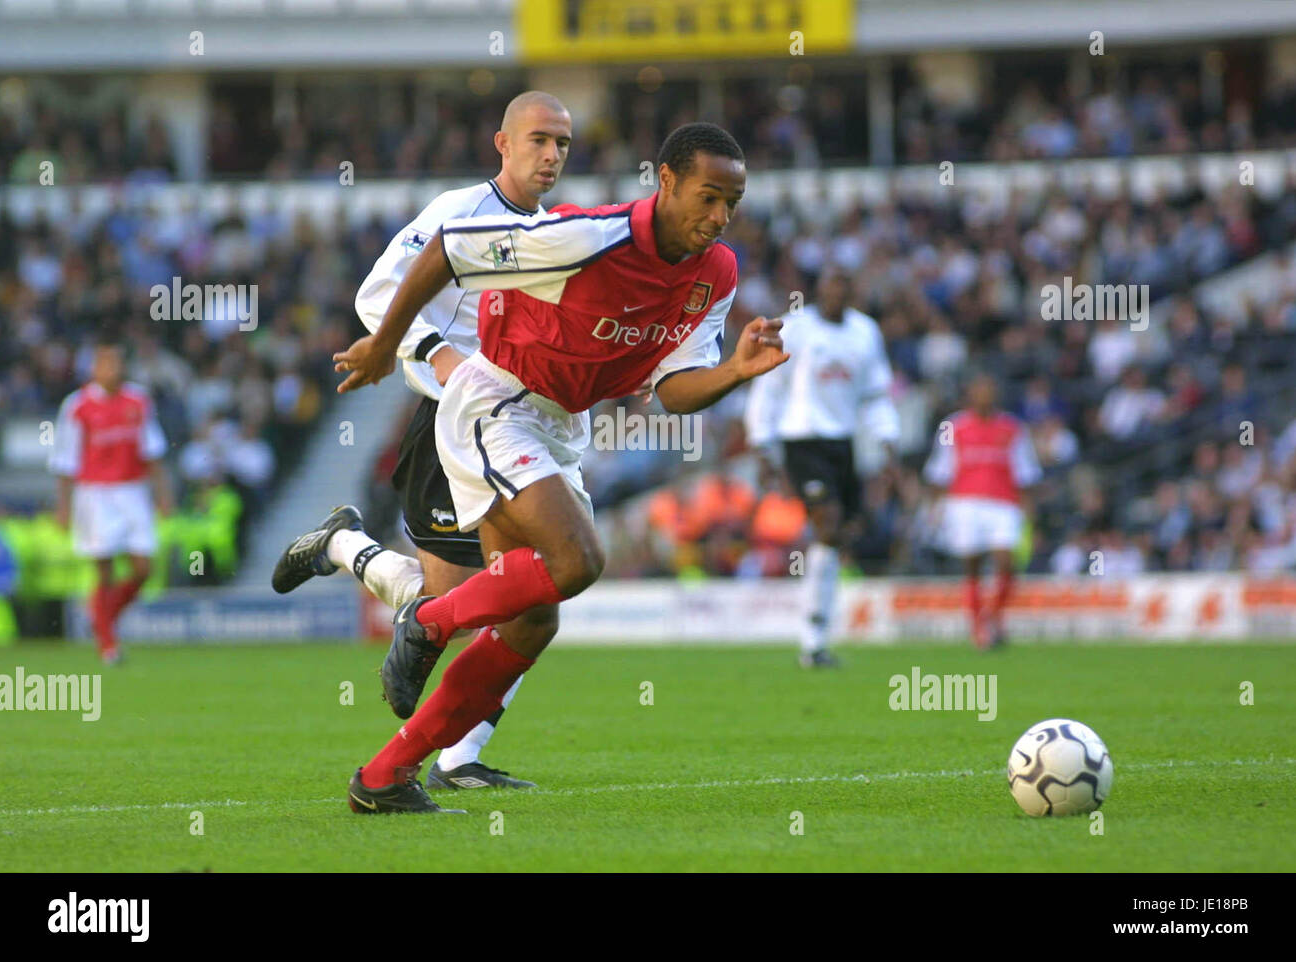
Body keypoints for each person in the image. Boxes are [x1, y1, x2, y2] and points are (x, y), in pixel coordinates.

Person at [332, 122, 788, 814]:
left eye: (733, 202)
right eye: (709, 197)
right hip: (495, 402)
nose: (720, 217)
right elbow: (451, 253)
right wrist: (383, 347)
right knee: (578, 559)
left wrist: (733, 372)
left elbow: (674, 388)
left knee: (533, 621)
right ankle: (427, 623)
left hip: (558, 427)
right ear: (665, 182)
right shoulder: (587, 237)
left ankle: (385, 775)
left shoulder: (715, 272)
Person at [271, 91, 574, 793]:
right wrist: (440, 358)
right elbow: (378, 295)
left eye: (562, 143)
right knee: (479, 601)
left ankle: (457, 754)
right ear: (502, 143)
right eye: (538, 140)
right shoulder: (457, 213)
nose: (551, 155)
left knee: (519, 599)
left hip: (518, 431)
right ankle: (345, 547)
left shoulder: (560, 232)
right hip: (454, 428)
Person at [744, 267, 900, 666]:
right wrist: (764, 446)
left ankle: (819, 635)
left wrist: (888, 440)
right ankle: (812, 637)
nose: (837, 291)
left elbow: (876, 393)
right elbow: (769, 385)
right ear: (819, 289)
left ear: (852, 291)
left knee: (842, 533)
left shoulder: (865, 332)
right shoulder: (796, 329)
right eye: (831, 283)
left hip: (842, 442)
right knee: (827, 523)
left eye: (844, 284)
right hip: (802, 438)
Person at [49, 342, 172, 663]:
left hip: (133, 491)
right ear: (94, 369)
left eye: (116, 363)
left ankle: (102, 618)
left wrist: (163, 495)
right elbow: (65, 461)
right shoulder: (77, 406)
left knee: (144, 569)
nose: (113, 369)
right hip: (95, 494)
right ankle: (107, 644)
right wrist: (64, 507)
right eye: (106, 364)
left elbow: (153, 451)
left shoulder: (138, 400)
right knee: (103, 569)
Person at [923, 373, 1041, 649]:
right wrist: (934, 509)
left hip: (1004, 502)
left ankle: (995, 618)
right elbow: (940, 470)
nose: (984, 395)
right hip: (965, 502)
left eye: (989, 389)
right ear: (969, 394)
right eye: (979, 389)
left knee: (1005, 560)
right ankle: (979, 625)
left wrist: (1030, 514)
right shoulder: (953, 426)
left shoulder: (1013, 428)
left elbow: (1025, 473)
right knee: (973, 565)